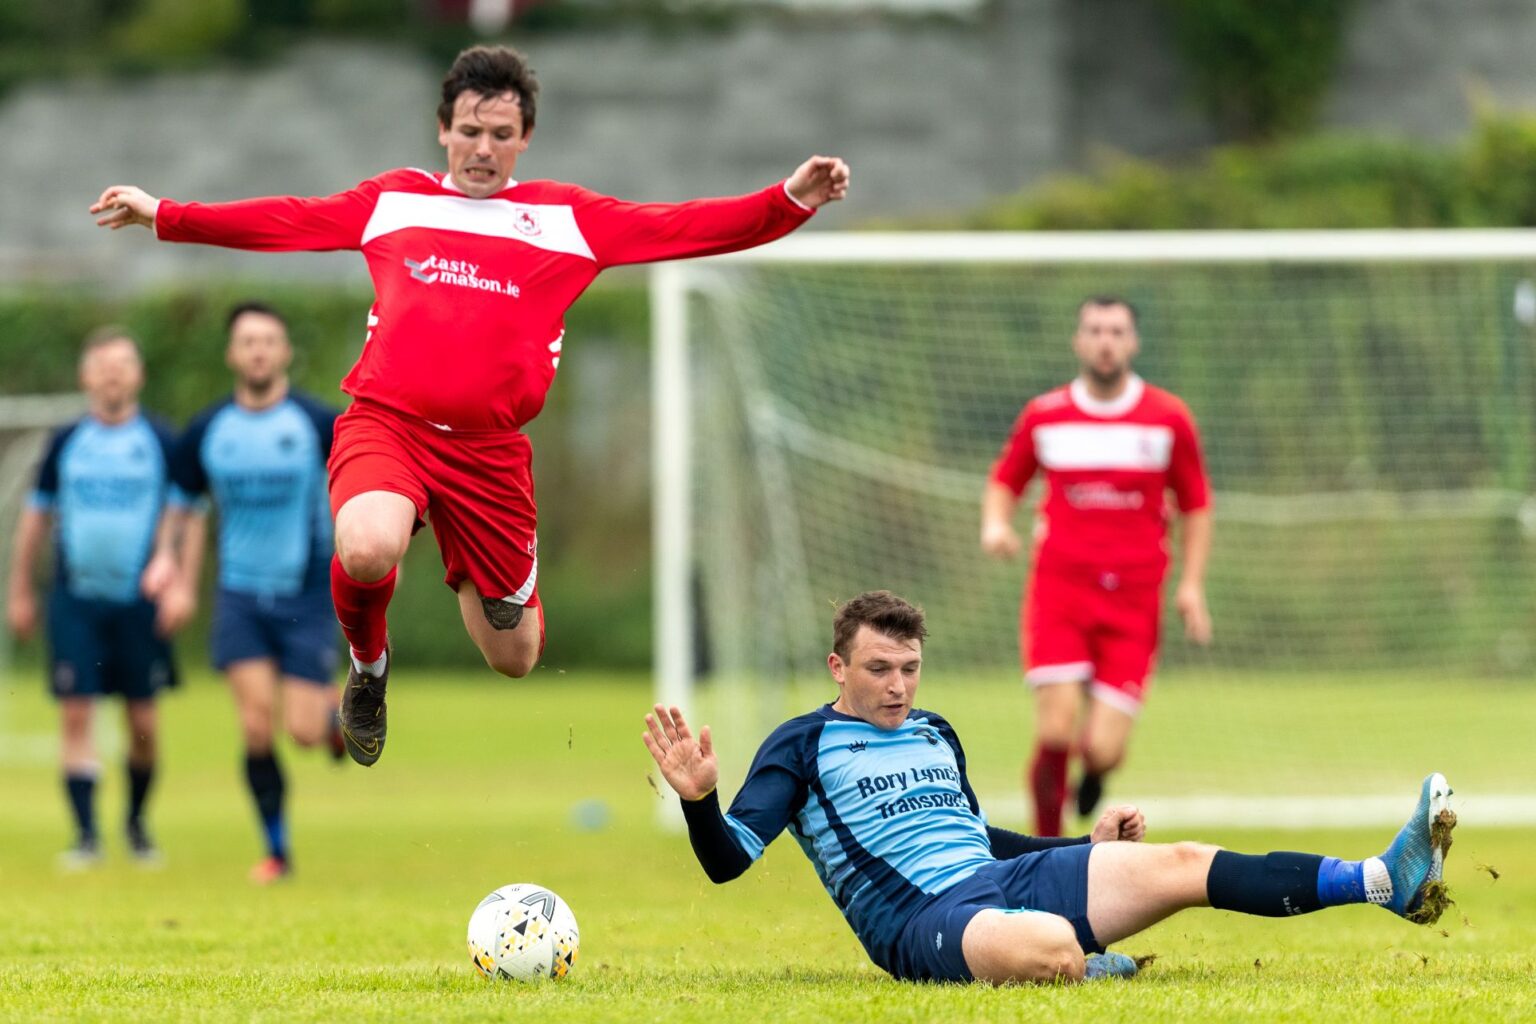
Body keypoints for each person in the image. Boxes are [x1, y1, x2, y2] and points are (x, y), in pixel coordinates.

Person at [91, 44, 850, 766]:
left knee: (514, 658)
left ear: (525, 139)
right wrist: (165, 214)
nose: (482, 148)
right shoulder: (393, 202)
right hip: (388, 423)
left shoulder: (566, 219)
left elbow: (687, 227)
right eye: (468, 131)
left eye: (500, 134)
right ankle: (368, 666)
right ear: (442, 129)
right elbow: (286, 219)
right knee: (365, 546)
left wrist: (789, 200)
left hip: (489, 455)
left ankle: (494, 580)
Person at [642, 590, 1456, 985]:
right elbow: (726, 863)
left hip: (1006, 878)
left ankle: (1383, 881)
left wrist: (1083, 848)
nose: (898, 687)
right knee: (1048, 948)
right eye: (879, 670)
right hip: (923, 919)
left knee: (1182, 862)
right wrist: (698, 799)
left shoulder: (934, 731)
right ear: (838, 667)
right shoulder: (802, 745)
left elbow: (978, 835)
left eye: (910, 669)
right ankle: (1083, 966)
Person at [980, 296, 1213, 836]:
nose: (1105, 340)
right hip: (1060, 593)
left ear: (1132, 342)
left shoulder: (1167, 418)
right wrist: (996, 526)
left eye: (1116, 331)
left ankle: (1093, 774)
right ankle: (1046, 851)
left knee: (1103, 750)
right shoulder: (1046, 415)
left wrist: (1192, 586)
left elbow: (1197, 504)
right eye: (1095, 330)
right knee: (1056, 728)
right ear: (1078, 341)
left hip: (1134, 601)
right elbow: (1004, 480)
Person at [146, 302, 343, 883]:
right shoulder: (209, 430)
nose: (258, 350)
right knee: (256, 727)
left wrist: (379, 558)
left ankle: (332, 716)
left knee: (302, 734)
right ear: (233, 354)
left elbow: (363, 488)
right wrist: (165, 563)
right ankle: (276, 851)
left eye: (269, 341)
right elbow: (180, 505)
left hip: (306, 592)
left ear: (284, 353)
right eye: (248, 341)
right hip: (239, 594)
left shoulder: (316, 423)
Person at [7, 328, 187, 868]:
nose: (112, 373)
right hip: (75, 598)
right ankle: (85, 836)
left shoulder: (160, 438)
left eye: (123, 364)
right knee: (76, 715)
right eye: (102, 365)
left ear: (138, 375)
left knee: (143, 724)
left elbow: (181, 515)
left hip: (139, 601)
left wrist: (173, 574)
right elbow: (36, 520)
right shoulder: (65, 443)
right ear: (86, 376)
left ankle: (135, 824)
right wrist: (19, 589)